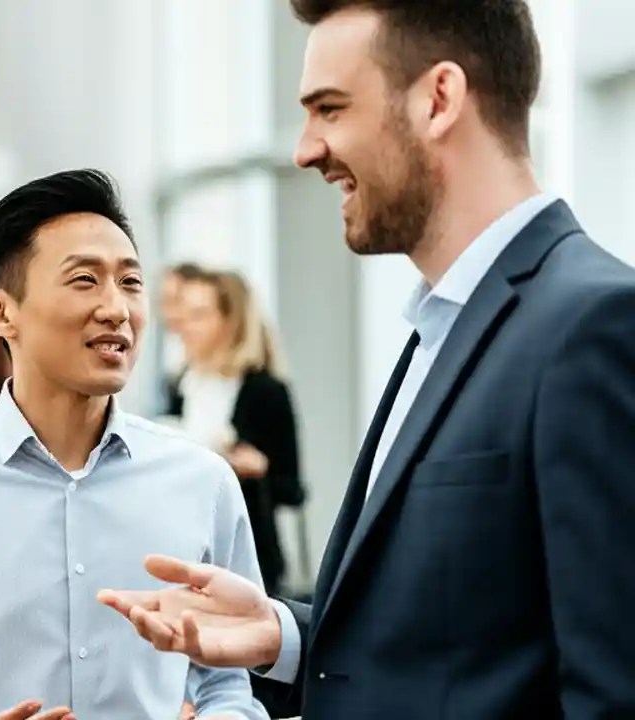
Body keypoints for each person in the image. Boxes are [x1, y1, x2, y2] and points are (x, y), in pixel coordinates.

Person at [100, 1, 635, 718]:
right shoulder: (439, 327)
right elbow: (465, 645)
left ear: (439, 99)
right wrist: (283, 634)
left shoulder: (593, 325)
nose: (306, 149)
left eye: (330, 108)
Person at [0, 169, 268, 720]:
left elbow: (230, 689)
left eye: (130, 282)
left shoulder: (202, 482)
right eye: (85, 280)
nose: (117, 309)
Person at [166, 268, 300, 594]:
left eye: (198, 315)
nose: (184, 325)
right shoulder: (183, 385)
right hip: (185, 549)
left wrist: (257, 468)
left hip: (245, 562)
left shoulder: (264, 391)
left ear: (230, 321)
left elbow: (292, 488)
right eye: (183, 314)